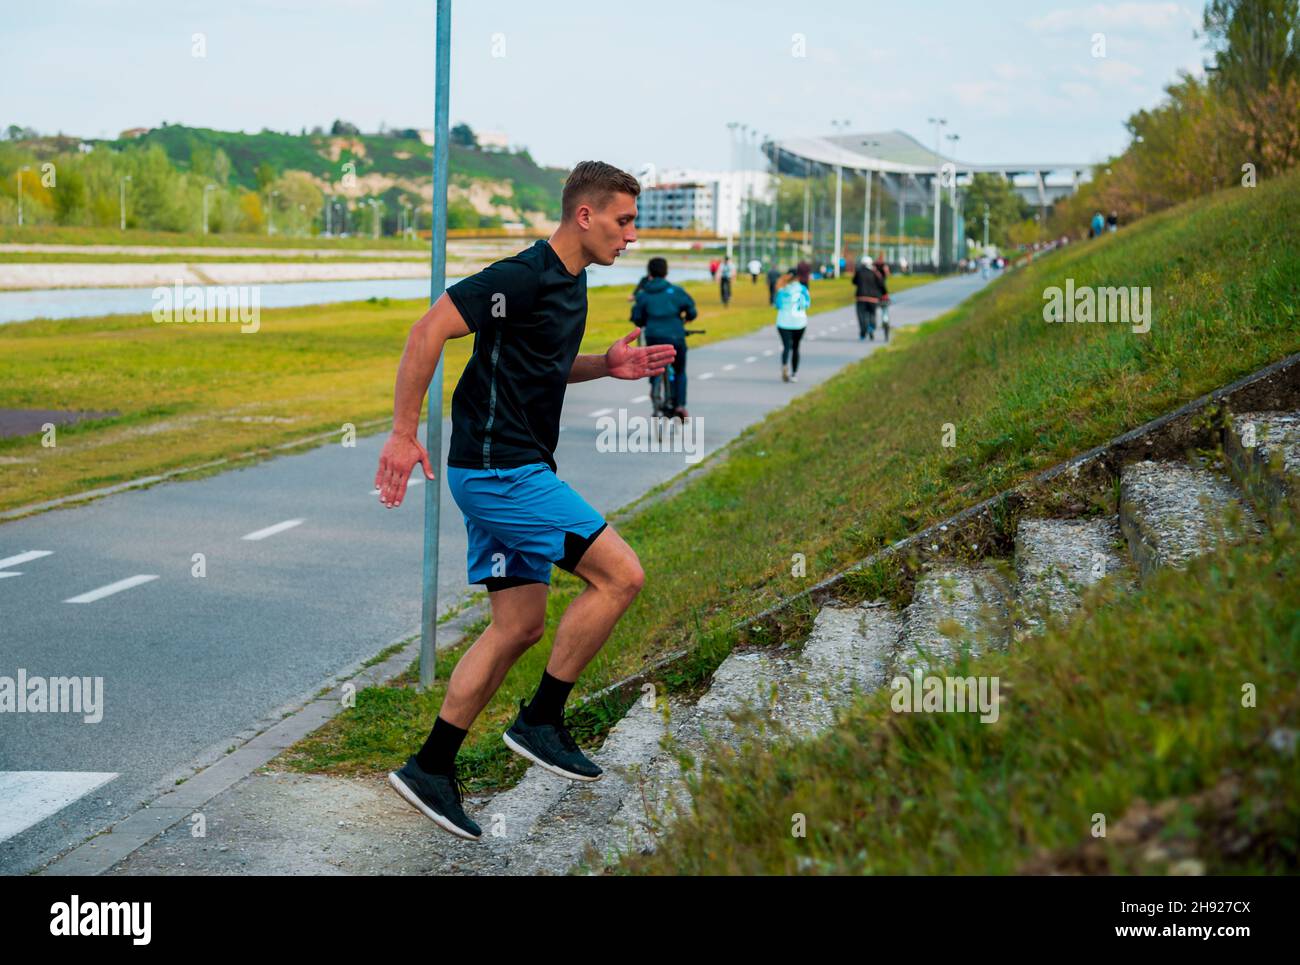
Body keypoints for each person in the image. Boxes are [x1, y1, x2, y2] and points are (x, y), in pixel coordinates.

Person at [374, 160, 676, 842]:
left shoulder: (570, 286)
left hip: (511, 468)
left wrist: (606, 364)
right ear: (585, 215)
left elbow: (540, 361)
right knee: (621, 574)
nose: (631, 236)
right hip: (499, 470)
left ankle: (430, 766)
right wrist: (400, 433)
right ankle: (541, 719)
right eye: (624, 221)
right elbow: (428, 331)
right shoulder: (523, 275)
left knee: (519, 625)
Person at [630, 255, 697, 418]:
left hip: (653, 336)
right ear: (666, 272)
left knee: (654, 366)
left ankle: (655, 389)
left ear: (649, 273)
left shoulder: (643, 295)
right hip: (675, 336)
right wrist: (685, 319)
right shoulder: (676, 291)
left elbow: (637, 318)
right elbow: (692, 311)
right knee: (679, 370)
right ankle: (680, 405)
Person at [774, 261, 811, 382]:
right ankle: (794, 373)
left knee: (786, 346)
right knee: (796, 348)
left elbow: (778, 305)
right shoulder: (803, 289)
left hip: (784, 322)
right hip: (799, 323)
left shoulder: (782, 290)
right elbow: (806, 304)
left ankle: (785, 364)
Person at [851, 253, 884, 340]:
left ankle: (863, 332)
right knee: (872, 314)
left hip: (861, 297)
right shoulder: (875, 272)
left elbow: (854, 282)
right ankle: (871, 327)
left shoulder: (859, 272)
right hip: (873, 298)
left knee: (861, 315)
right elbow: (881, 283)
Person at [873, 256, 892, 341]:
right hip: (882, 295)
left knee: (873, 311)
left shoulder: (873, 274)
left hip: (874, 296)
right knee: (885, 310)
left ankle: (879, 322)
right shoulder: (881, 277)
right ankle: (885, 320)